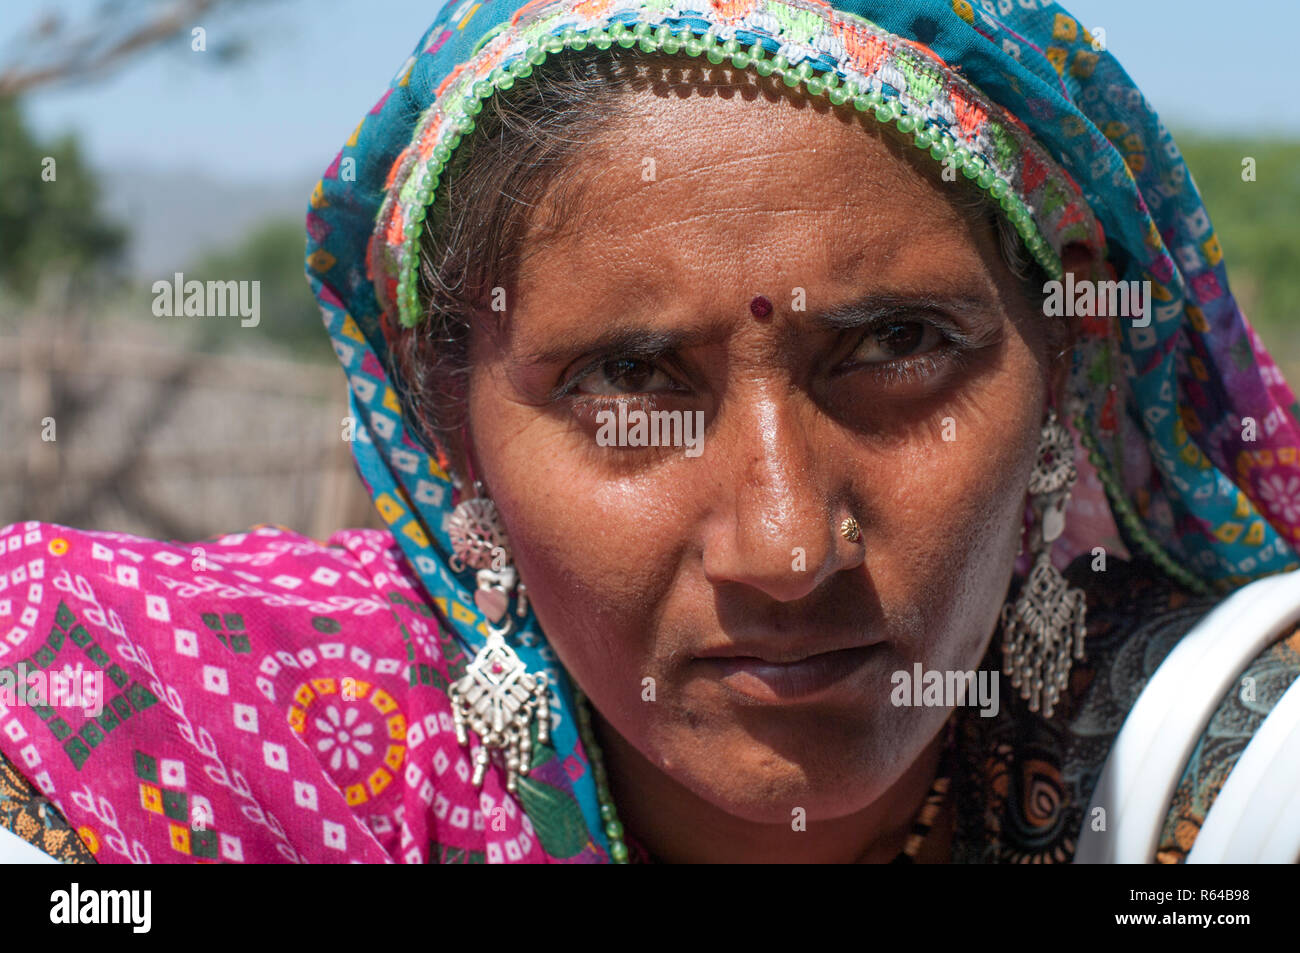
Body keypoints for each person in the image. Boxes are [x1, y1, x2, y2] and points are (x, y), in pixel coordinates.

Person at [2, 0, 1299, 865]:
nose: (788, 546)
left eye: (898, 347)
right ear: (448, 412)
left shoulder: (1189, 766)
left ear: (1064, 347)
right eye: (631, 376)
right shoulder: (185, 718)